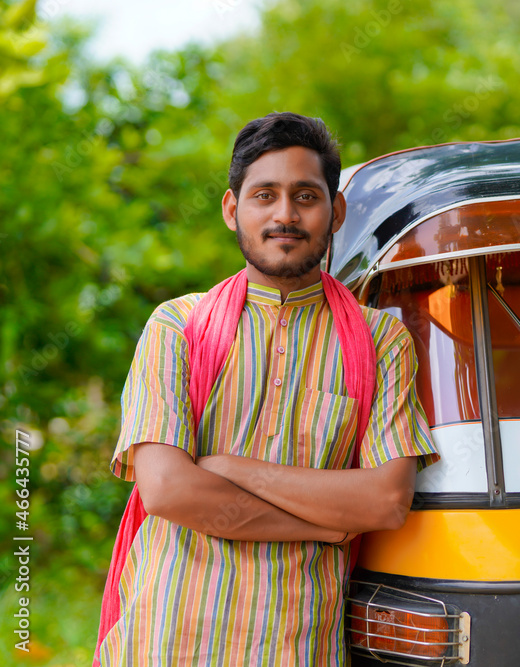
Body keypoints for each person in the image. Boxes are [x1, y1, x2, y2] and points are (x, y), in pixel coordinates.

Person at [95, 112, 438, 665]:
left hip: (296, 646)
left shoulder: (379, 340)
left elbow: (385, 501)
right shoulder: (177, 327)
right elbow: (167, 491)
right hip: (163, 639)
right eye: (264, 195)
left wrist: (229, 467)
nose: (285, 215)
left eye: (306, 196)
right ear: (233, 210)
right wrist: (325, 526)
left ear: (336, 210)